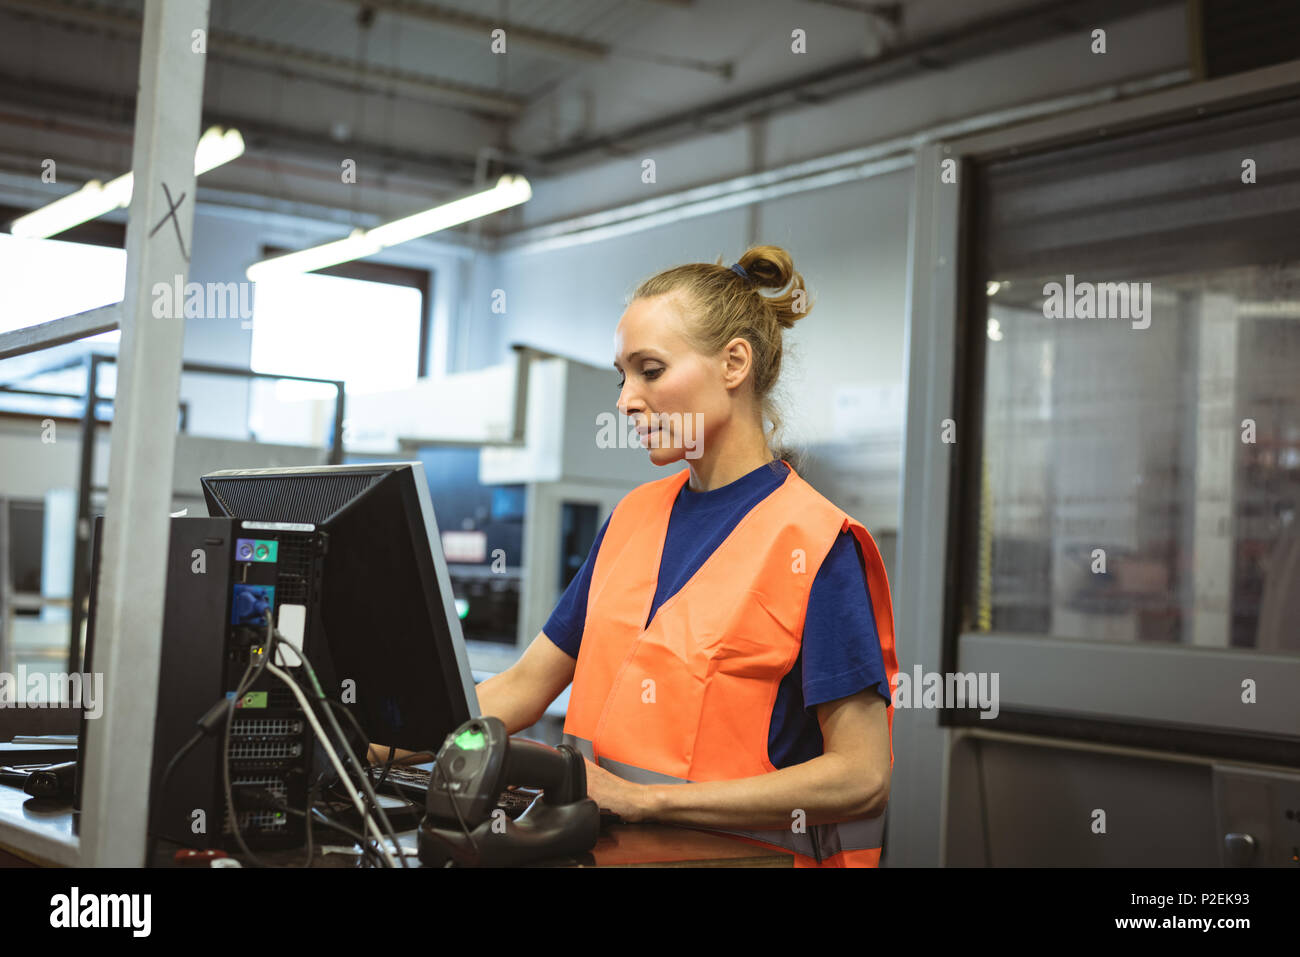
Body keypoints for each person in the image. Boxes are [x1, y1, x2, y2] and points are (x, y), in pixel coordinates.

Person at [371, 245, 899, 867]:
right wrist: (362, 749)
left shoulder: (815, 543)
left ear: (734, 363)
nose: (625, 400)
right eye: (622, 375)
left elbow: (861, 776)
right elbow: (522, 686)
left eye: (650, 370)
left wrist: (646, 802)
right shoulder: (633, 517)